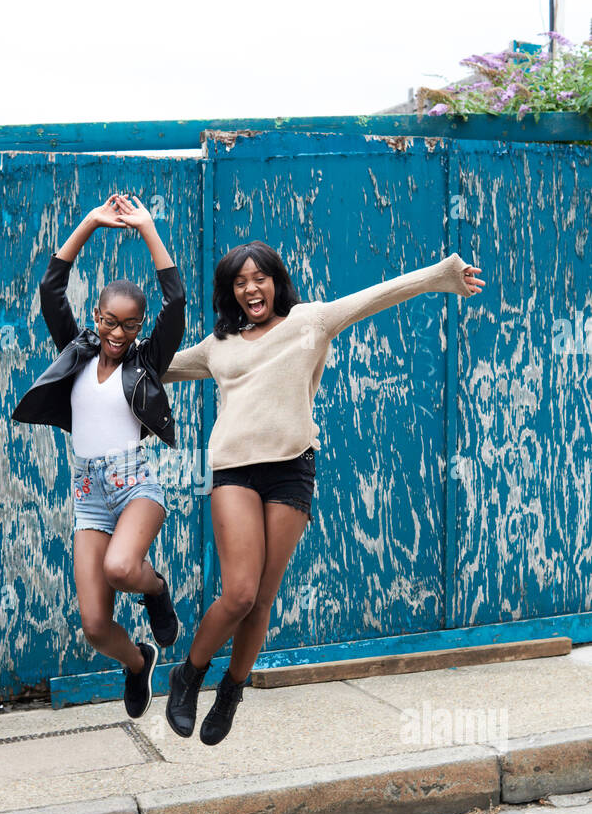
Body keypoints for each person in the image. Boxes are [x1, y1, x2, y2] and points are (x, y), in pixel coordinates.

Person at [162, 242, 485, 743]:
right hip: (234, 472)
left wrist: (444, 274)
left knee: (263, 598)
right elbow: (151, 371)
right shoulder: (217, 345)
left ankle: (232, 689)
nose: (251, 288)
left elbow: (378, 295)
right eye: (240, 282)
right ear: (231, 293)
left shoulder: (309, 321)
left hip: (290, 470)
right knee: (239, 593)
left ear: (276, 281)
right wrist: (92, 355)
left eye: (259, 277)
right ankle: (189, 674)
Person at [12, 194, 185, 717]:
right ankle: (138, 663)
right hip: (88, 495)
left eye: (130, 325)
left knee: (120, 568)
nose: (117, 333)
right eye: (110, 321)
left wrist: (149, 228)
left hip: (135, 487)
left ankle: (155, 590)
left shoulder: (148, 361)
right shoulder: (77, 351)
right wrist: (89, 222)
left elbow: (175, 303)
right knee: (93, 626)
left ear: (140, 328)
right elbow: (51, 287)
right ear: (96, 316)